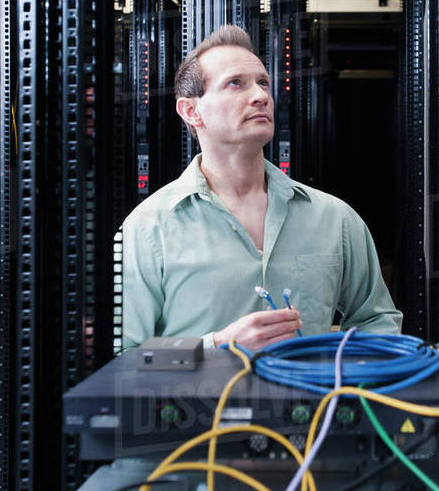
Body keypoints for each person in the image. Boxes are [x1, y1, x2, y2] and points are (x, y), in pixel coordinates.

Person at [121, 24, 401, 350]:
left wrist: (341, 380)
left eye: (263, 83)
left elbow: (377, 321)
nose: (261, 95)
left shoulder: (335, 219)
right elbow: (126, 356)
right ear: (191, 110)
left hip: (312, 401)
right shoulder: (148, 227)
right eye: (235, 84)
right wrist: (219, 346)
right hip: (201, 401)